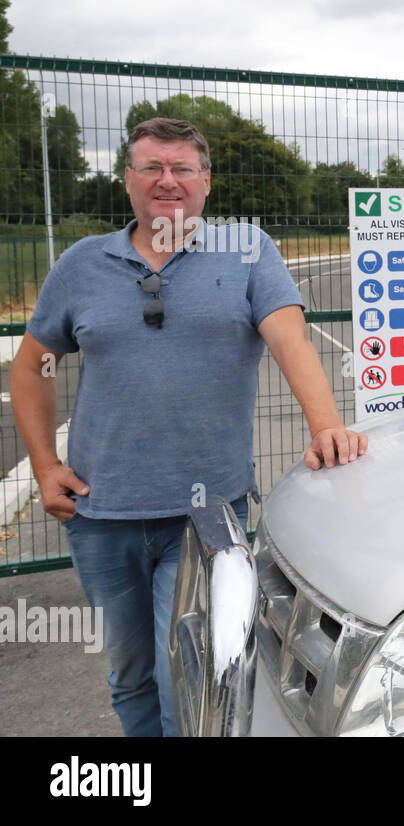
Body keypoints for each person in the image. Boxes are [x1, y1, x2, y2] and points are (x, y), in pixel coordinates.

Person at [10, 117, 367, 737]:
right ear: (128, 180)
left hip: (206, 521)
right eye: (152, 167)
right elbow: (35, 365)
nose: (167, 181)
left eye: (182, 169)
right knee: (130, 674)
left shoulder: (249, 253)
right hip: (101, 516)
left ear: (205, 182)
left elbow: (288, 338)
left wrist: (326, 424)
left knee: (194, 681)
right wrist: (44, 464)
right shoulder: (81, 265)